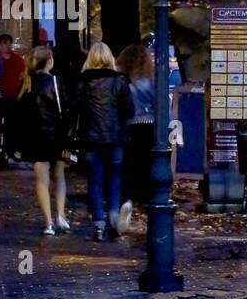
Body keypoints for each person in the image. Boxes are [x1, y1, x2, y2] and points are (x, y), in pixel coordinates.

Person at [75, 42, 134, 241]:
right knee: (115, 177)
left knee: (95, 180)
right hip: (116, 137)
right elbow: (130, 110)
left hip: (91, 138)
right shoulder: (119, 81)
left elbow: (77, 111)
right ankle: (114, 218)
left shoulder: (83, 82)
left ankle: (99, 225)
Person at [16, 46, 70, 236]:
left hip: (35, 138)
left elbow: (19, 114)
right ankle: (61, 215)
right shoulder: (57, 82)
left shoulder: (26, 84)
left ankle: (48, 222)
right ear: (50, 62)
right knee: (59, 175)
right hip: (57, 135)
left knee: (41, 179)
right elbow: (66, 110)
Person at [116, 43, 155, 204]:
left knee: (129, 163)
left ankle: (129, 197)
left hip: (129, 126)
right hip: (150, 125)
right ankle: (145, 194)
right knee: (147, 162)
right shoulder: (151, 81)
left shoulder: (122, 81)